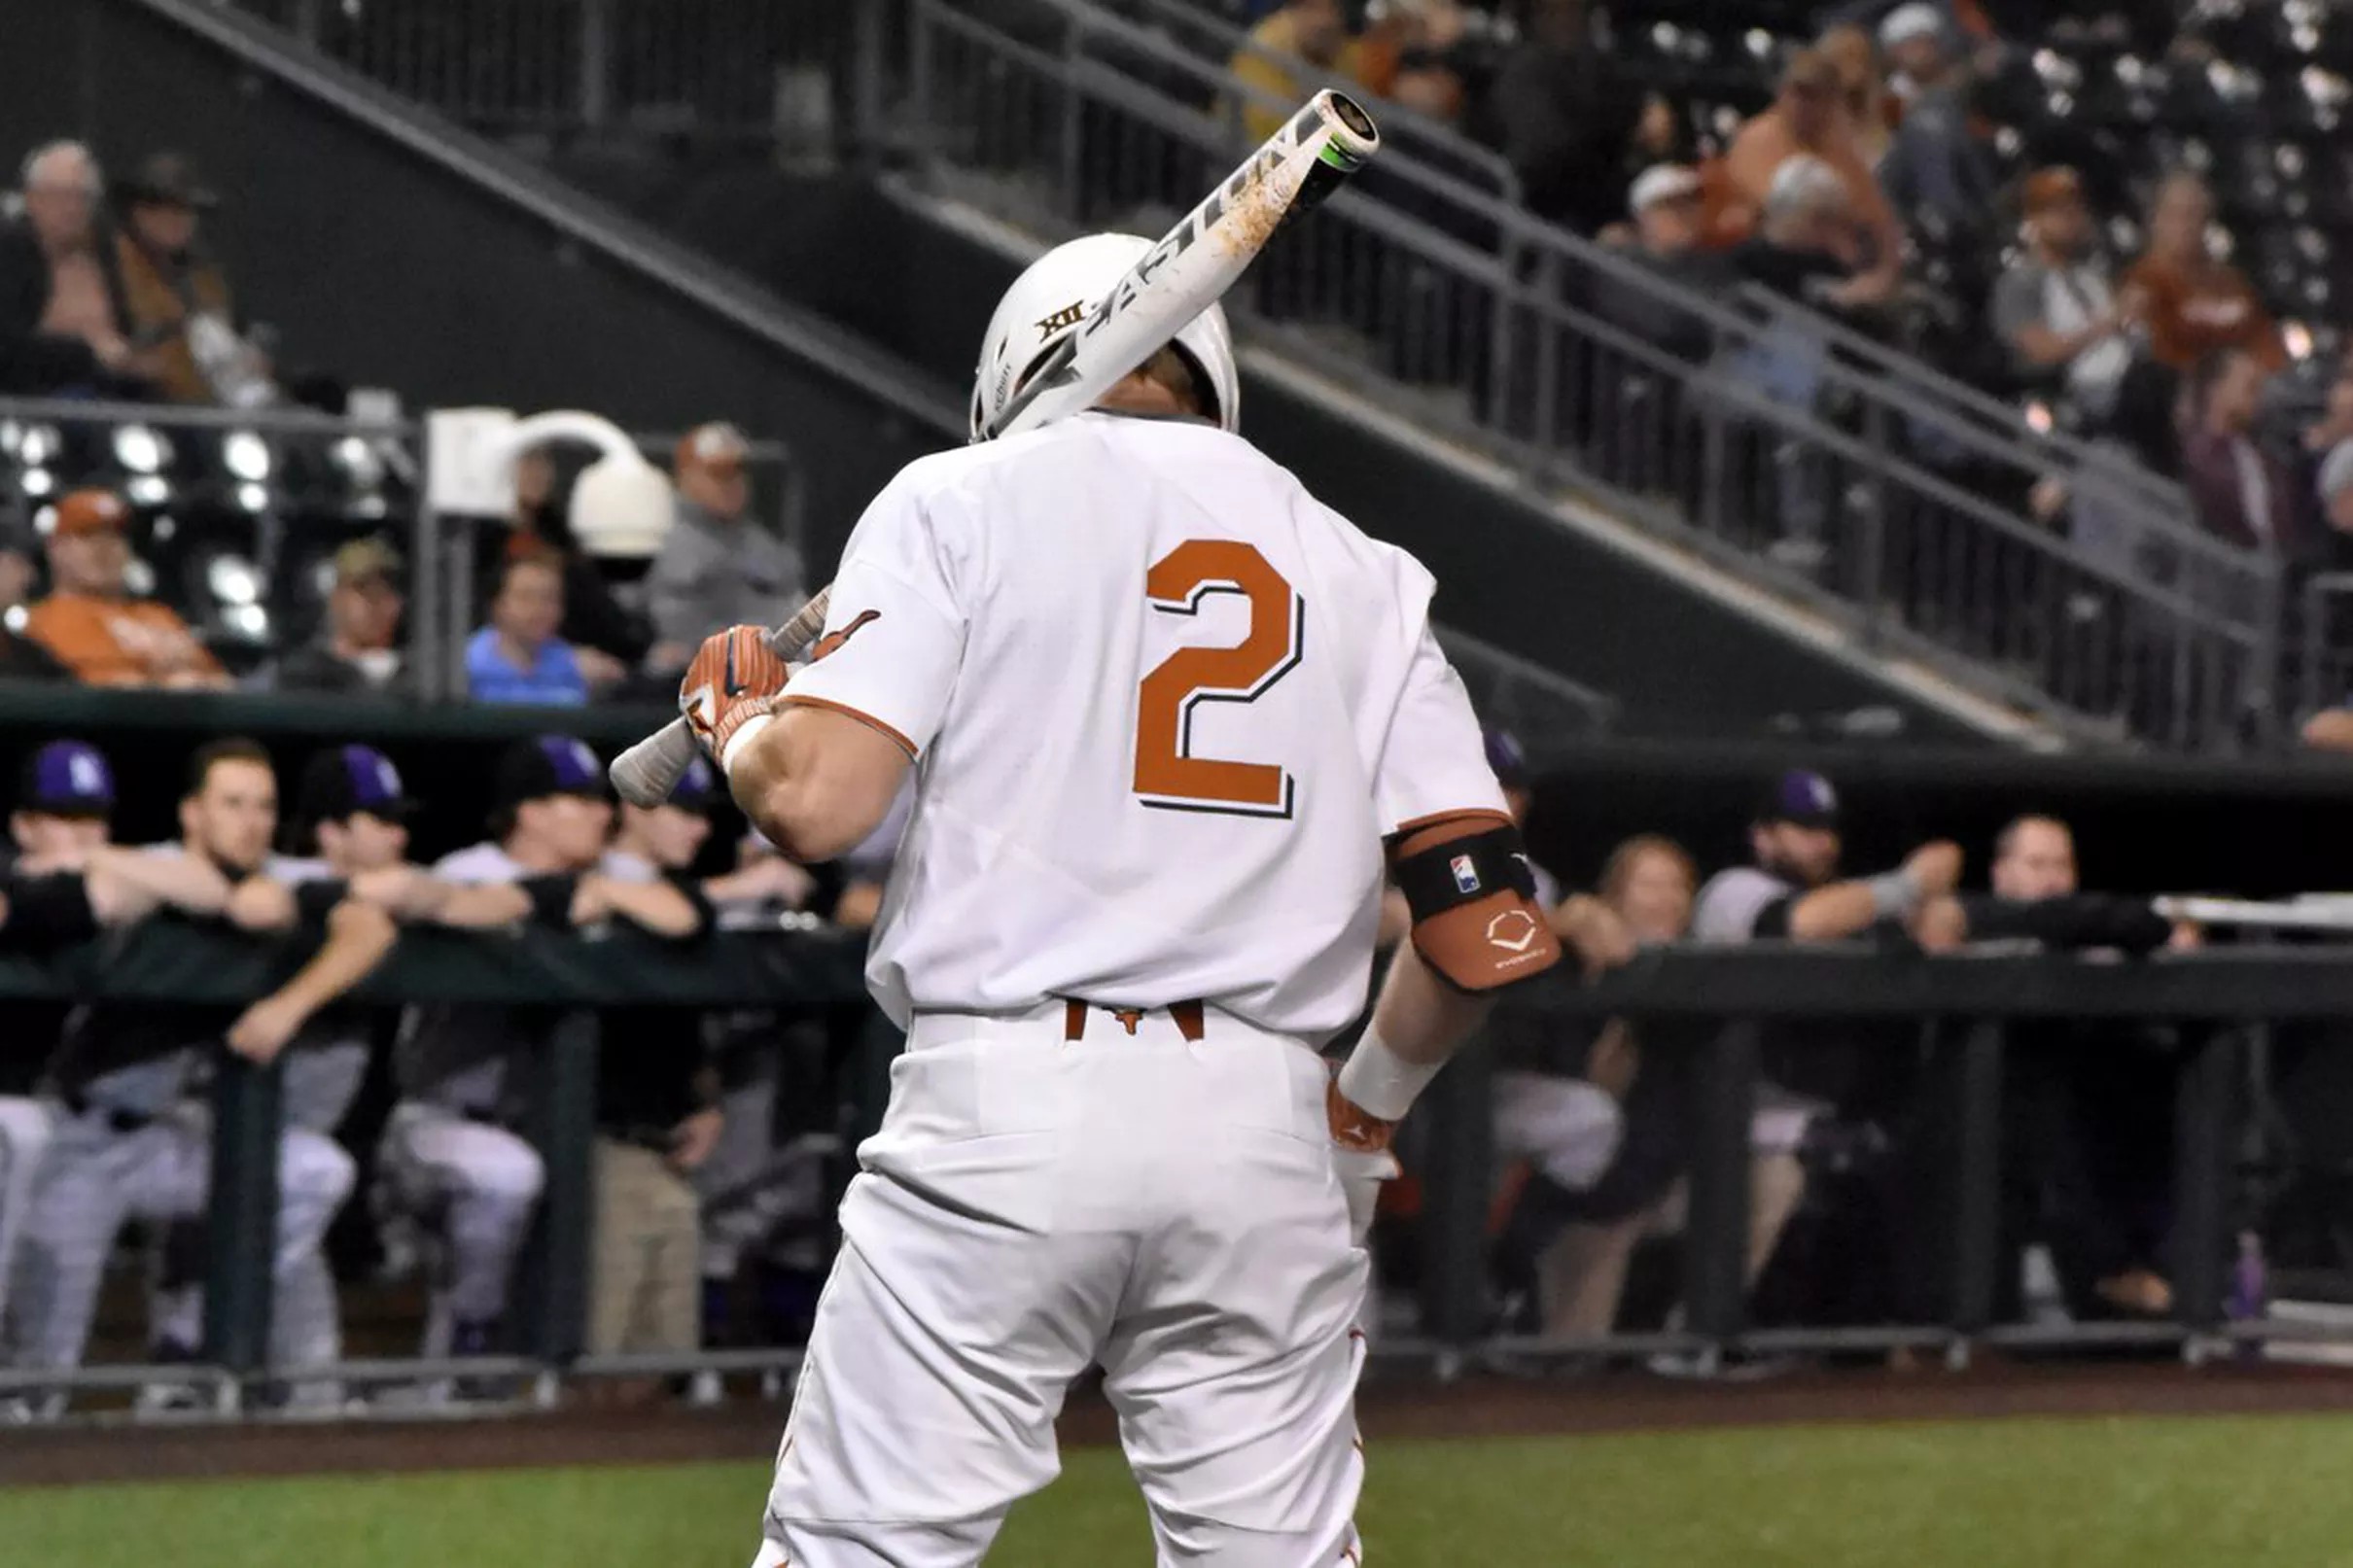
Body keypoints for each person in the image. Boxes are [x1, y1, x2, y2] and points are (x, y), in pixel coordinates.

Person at [685, 229, 1564, 1568]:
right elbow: (1483, 923)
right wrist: (1360, 1113)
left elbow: (815, 802)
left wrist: (741, 722)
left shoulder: (959, 497)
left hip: (1009, 1098)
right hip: (1261, 1131)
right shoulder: (1362, 567)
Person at [5, 741, 374, 1403]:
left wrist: (289, 1005)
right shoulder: (147, 868)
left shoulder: (278, 880)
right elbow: (137, 890)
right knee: (41, 1366)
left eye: (264, 805)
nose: (252, 820)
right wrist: (105, 858)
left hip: (175, 1136)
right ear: (191, 816)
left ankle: (189, 1333)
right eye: (231, 803)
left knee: (314, 1168)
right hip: (84, 1134)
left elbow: (369, 927)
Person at [377, 734, 674, 1376]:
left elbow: (685, 912)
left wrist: (608, 894)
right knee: (502, 1178)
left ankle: (458, 1397)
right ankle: (454, 1377)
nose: (603, 813)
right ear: (530, 812)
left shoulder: (603, 875)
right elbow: (452, 903)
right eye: (581, 800)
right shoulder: (471, 868)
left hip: (540, 1130)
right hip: (440, 1121)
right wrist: (557, 899)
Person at [589, 757, 724, 1376]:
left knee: (662, 1368)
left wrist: (705, 1099)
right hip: (593, 1148)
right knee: (596, 1362)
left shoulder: (668, 894)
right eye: (684, 812)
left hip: (664, 1151)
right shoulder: (579, 882)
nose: (698, 830)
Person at [1721, 51, 1904, 303]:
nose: (1802, 104)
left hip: (1834, 268)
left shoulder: (1839, 150)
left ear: (1832, 102)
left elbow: (1880, 224)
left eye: (1815, 95)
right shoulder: (1758, 138)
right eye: (1797, 92)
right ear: (1781, 93)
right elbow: (1793, 220)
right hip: (1763, 268)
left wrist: (1882, 277)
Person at [109, 152, 273, 408]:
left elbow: (229, 332)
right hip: (144, 403)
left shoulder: (204, 276)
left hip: (216, 402)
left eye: (186, 210)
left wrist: (250, 359)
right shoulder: (112, 266)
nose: (179, 220)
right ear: (138, 211)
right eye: (167, 208)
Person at [24, 488, 228, 689]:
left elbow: (223, 686)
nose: (105, 549)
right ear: (56, 548)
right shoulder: (44, 621)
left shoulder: (159, 616)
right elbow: (106, 692)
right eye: (88, 536)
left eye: (115, 537)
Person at [646, 423, 804, 674]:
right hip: (697, 676)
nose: (732, 484)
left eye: (738, 472)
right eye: (719, 474)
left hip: (773, 669)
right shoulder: (658, 535)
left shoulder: (763, 544)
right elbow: (671, 626)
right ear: (685, 476)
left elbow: (794, 602)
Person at [1479, 0, 1646, 235]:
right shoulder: (1524, 69)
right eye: (1555, 12)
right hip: (1536, 213)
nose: (1568, 21)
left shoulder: (1597, 68)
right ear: (1537, 17)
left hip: (1589, 210)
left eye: (1576, 11)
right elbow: (1540, 152)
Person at [1990, 167, 2137, 421]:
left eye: (2075, 208)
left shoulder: (2093, 276)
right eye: (2057, 209)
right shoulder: (2020, 282)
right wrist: (2107, 325)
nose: (2070, 217)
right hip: (2070, 397)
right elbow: (2040, 352)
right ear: (2033, 219)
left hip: (2128, 383)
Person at [0, 142, 137, 397]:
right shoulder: (10, 254)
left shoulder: (107, 254)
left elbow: (127, 330)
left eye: (82, 196)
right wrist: (86, 352)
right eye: (60, 195)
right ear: (31, 198)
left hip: (110, 387)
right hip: (34, 396)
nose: (72, 208)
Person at [2121, 173, 2286, 375]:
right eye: (2176, 215)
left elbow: (2265, 343)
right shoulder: (2144, 282)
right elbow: (2158, 358)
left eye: (2196, 215)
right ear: (2155, 221)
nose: (2187, 226)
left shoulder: (2229, 281)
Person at [1597, 165, 1739, 364]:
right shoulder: (1623, 262)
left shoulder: (1713, 263)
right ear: (1645, 216)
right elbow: (1656, 325)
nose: (1686, 214)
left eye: (1691, 204)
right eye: (1672, 206)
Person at [2180, 345, 2299, 556]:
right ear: (2215, 387)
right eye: (2249, 384)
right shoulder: (2196, 452)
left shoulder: (2262, 457)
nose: (2257, 390)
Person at [276, 538, 408, 697]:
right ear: (335, 597)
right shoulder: (302, 676)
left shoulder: (421, 678)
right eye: (366, 589)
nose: (377, 603)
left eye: (387, 591)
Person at [465, 548, 593, 706]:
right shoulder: (465, 666)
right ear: (497, 605)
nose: (539, 608)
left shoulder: (576, 665)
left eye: (550, 598)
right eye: (526, 597)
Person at [1228, 0, 1354, 143]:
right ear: (1294, 10)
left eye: (1333, 11)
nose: (1325, 21)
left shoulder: (1338, 49)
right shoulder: (1269, 43)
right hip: (1247, 148)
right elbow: (1262, 121)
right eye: (1313, 9)